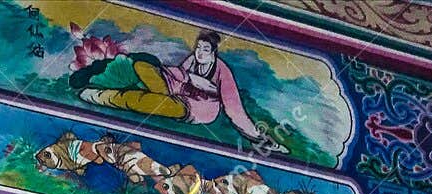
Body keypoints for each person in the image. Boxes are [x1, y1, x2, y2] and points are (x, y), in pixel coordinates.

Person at [77, 31, 285, 153]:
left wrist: (258, 138)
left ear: (214, 52)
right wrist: (185, 77)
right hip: (174, 88)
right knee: (142, 66)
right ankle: (105, 84)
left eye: (205, 50)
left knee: (150, 103)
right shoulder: (192, 60)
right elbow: (179, 74)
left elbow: (234, 110)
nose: (200, 53)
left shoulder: (223, 72)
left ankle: (103, 97)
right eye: (199, 48)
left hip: (197, 107)